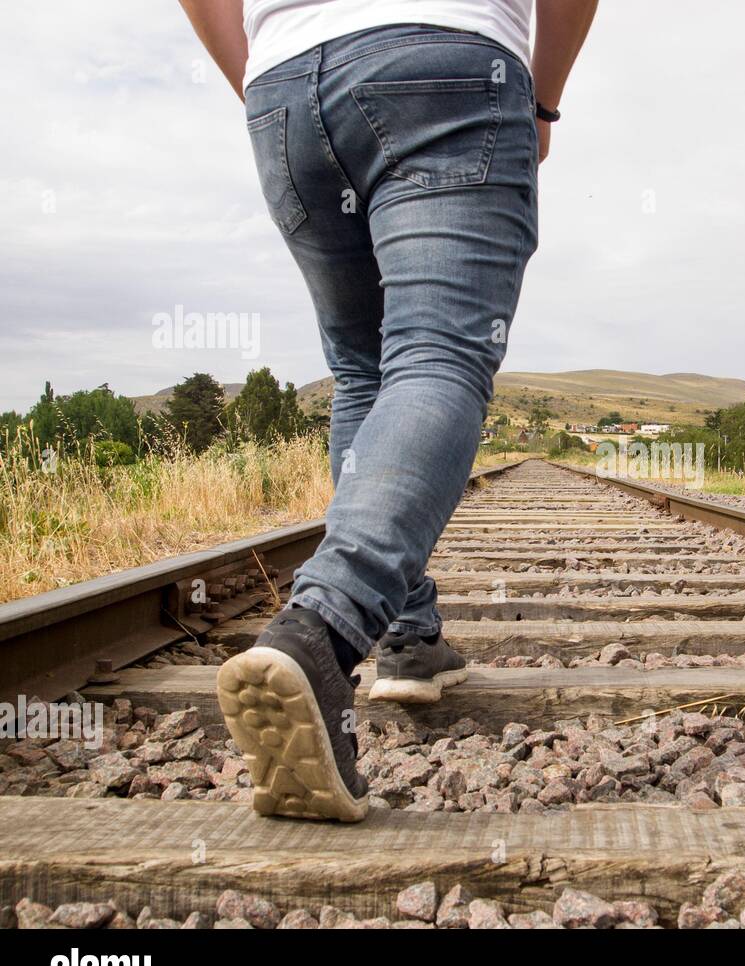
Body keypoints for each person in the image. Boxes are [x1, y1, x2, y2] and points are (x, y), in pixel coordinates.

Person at [178, 0, 597, 821]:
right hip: (449, 64)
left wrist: (266, 75)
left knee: (364, 373)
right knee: (436, 355)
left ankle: (408, 633)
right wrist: (542, 102)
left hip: (285, 90)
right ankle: (324, 632)